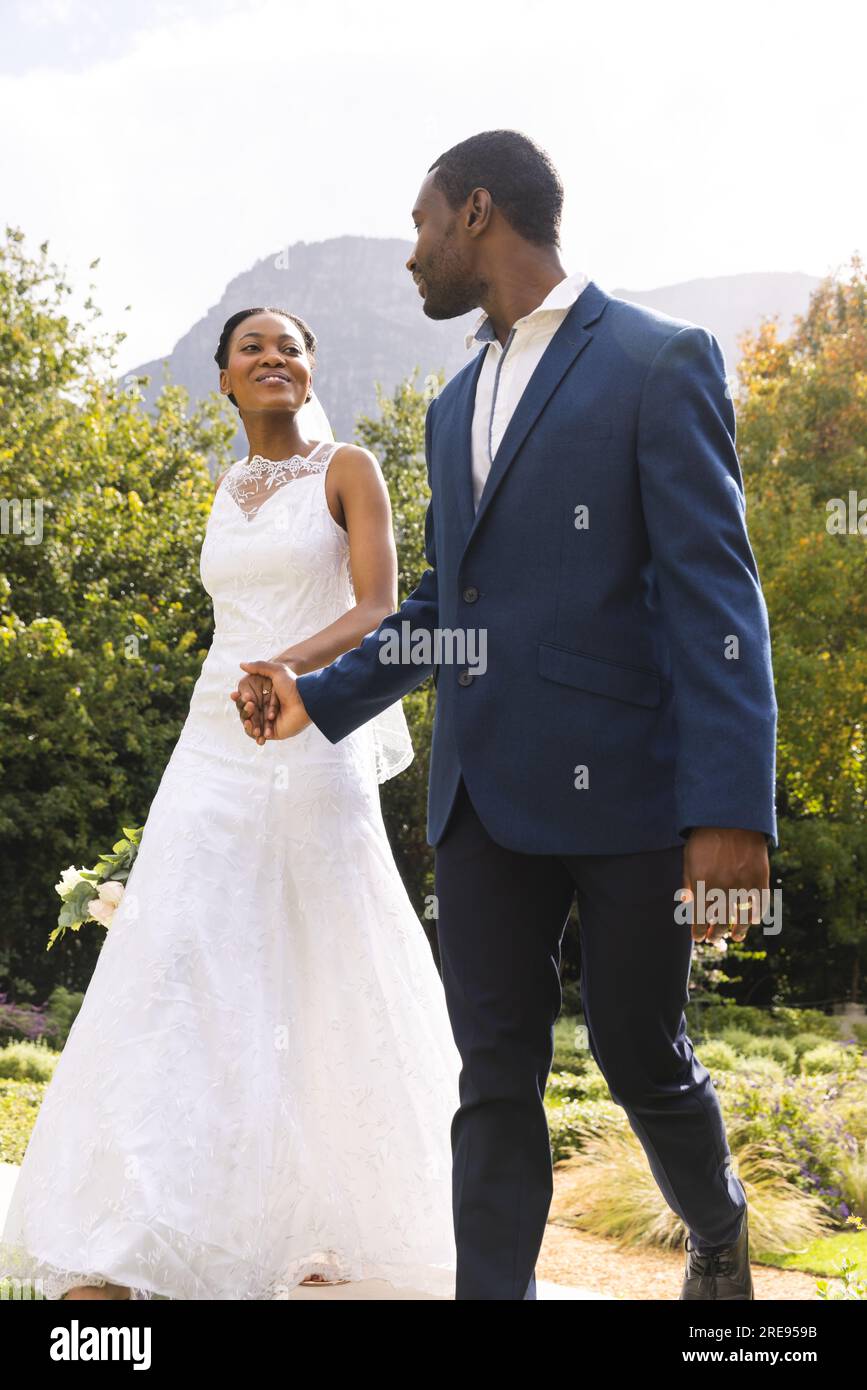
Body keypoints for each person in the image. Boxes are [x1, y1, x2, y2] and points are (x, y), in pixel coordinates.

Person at [234, 130, 777, 1302]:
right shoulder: (449, 403)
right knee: (493, 1076)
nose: (414, 256)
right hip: (479, 794)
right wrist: (318, 698)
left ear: (477, 213)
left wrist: (732, 813)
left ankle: (716, 1221)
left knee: (641, 1053)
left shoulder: (656, 359)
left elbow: (716, 595)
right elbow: (445, 603)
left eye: (424, 226)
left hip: (630, 793)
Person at [0, 307, 461, 1301]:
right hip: (212, 745)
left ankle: (329, 1234)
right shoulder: (224, 486)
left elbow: (380, 607)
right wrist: (243, 678)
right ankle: (137, 1235)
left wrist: (286, 669)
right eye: (250, 346)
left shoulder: (350, 468)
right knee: (181, 958)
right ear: (224, 381)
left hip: (307, 733)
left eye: (291, 344)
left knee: (320, 959)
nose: (272, 357)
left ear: (310, 368)